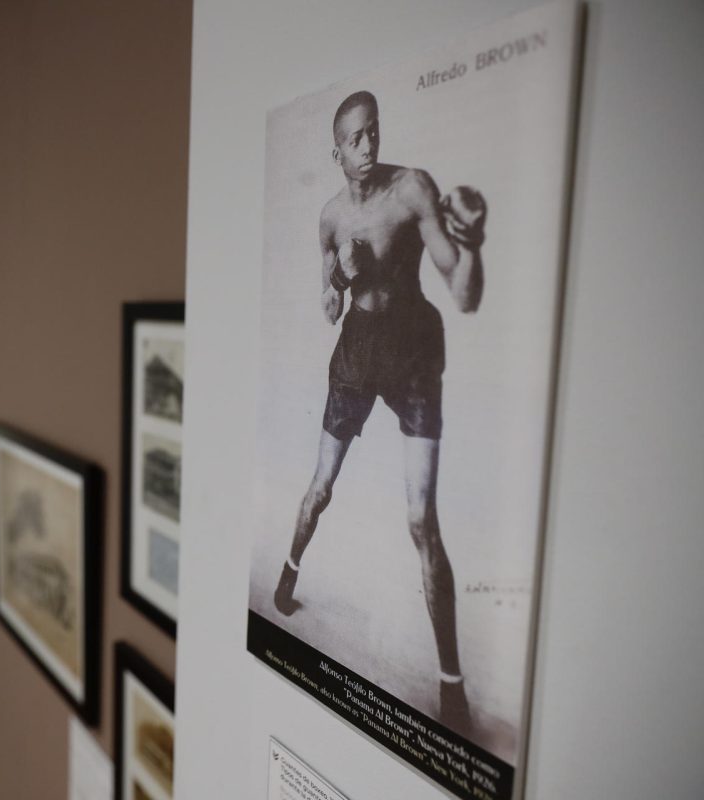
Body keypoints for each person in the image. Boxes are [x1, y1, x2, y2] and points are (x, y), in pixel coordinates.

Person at [272, 90, 486, 736]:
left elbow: (465, 294)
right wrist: (338, 279)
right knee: (319, 490)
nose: (369, 146)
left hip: (415, 352)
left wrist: (472, 245)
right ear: (335, 150)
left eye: (374, 133)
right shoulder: (331, 216)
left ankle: (452, 685)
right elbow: (329, 308)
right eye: (355, 139)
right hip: (357, 356)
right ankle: (287, 573)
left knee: (422, 519)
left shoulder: (414, 190)